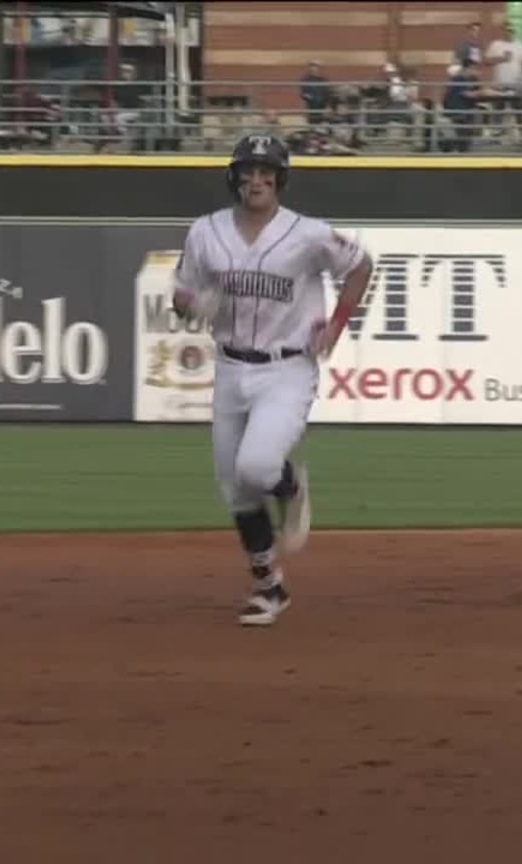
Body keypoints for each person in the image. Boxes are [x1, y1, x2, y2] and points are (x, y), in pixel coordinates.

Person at [169, 134, 373, 627]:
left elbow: (361, 265)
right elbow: (181, 295)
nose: (255, 179)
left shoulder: (305, 233)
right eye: (248, 170)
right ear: (234, 177)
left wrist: (339, 323)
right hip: (231, 368)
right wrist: (195, 304)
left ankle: (291, 487)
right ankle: (269, 587)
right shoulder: (206, 232)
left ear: (279, 179)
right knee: (236, 490)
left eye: (266, 172)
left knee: (258, 468)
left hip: (287, 368)